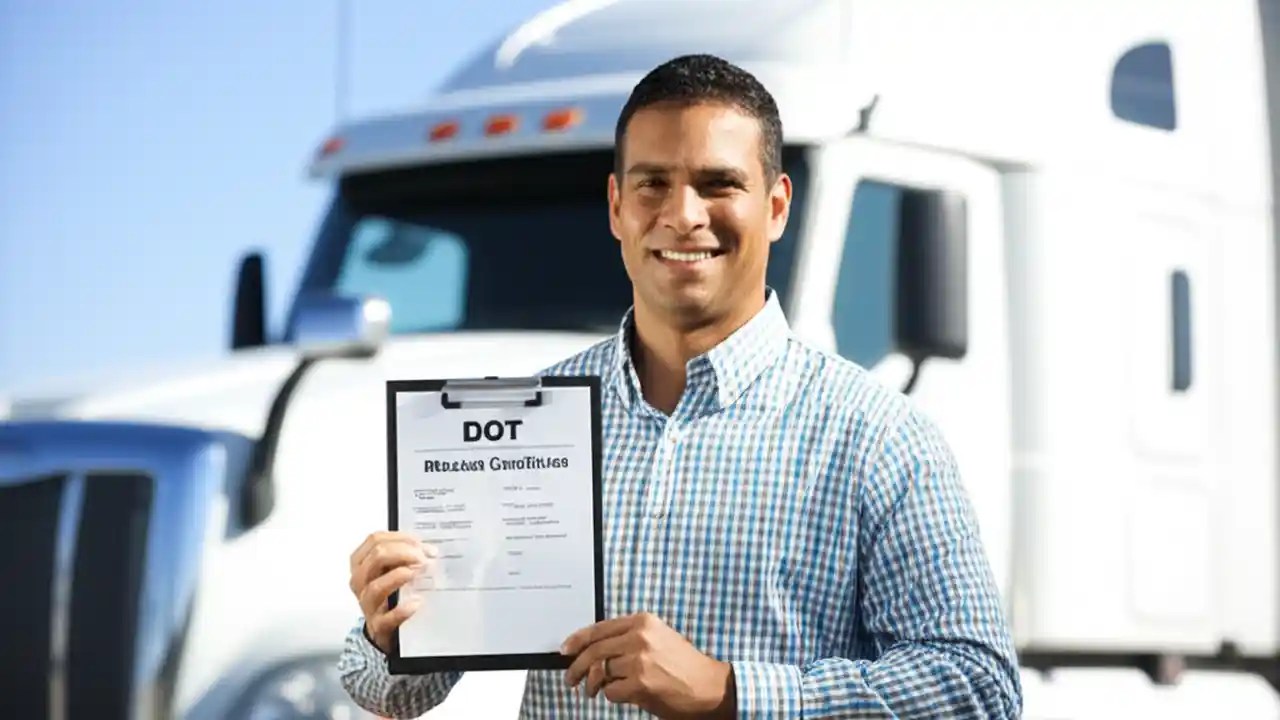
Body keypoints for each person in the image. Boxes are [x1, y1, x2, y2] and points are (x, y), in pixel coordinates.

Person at [339, 53, 1022, 719]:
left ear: (776, 206)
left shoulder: (877, 437)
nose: (683, 214)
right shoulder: (526, 420)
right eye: (652, 184)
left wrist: (727, 693)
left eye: (718, 183)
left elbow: (980, 688)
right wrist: (389, 631)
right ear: (616, 207)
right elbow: (397, 696)